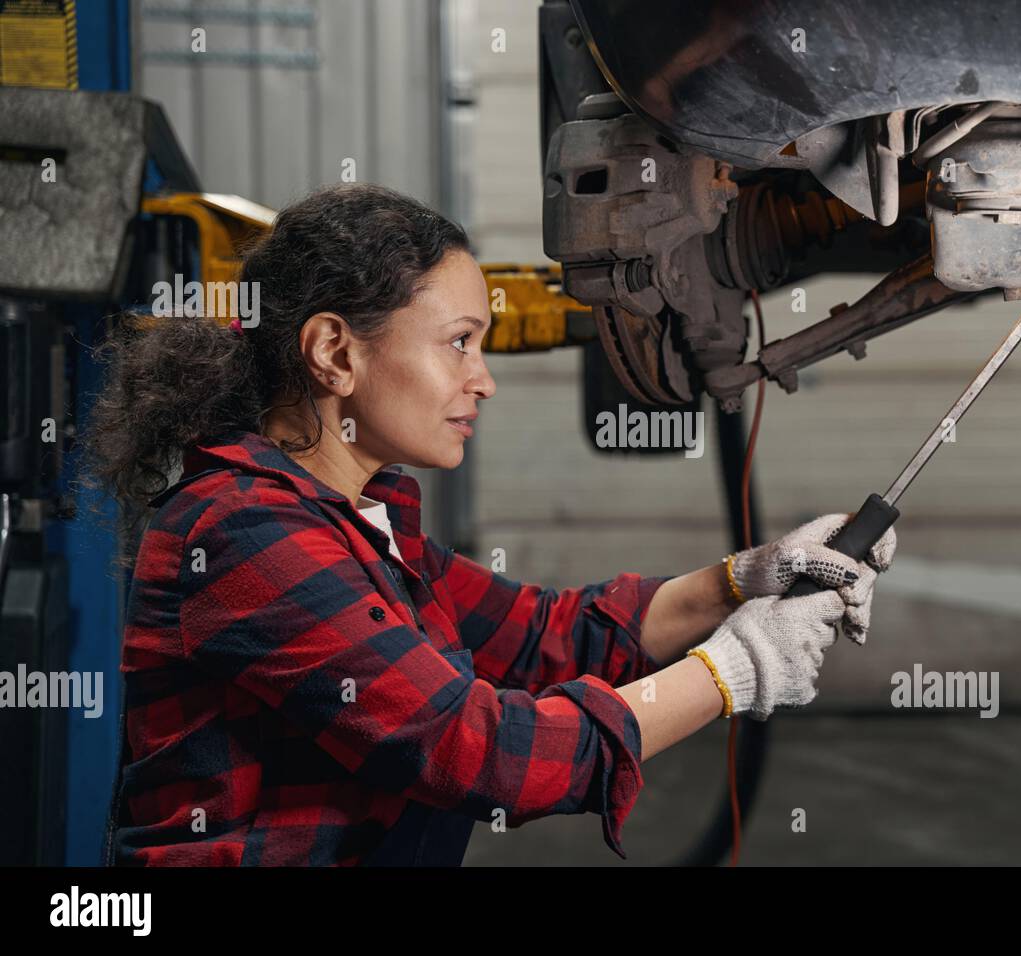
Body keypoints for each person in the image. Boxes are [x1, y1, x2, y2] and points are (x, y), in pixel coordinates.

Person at [84, 183, 897, 866]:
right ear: (334, 352)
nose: (484, 382)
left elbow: (548, 636)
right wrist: (735, 670)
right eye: (459, 344)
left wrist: (747, 578)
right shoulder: (241, 533)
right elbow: (476, 751)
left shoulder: (356, 525)